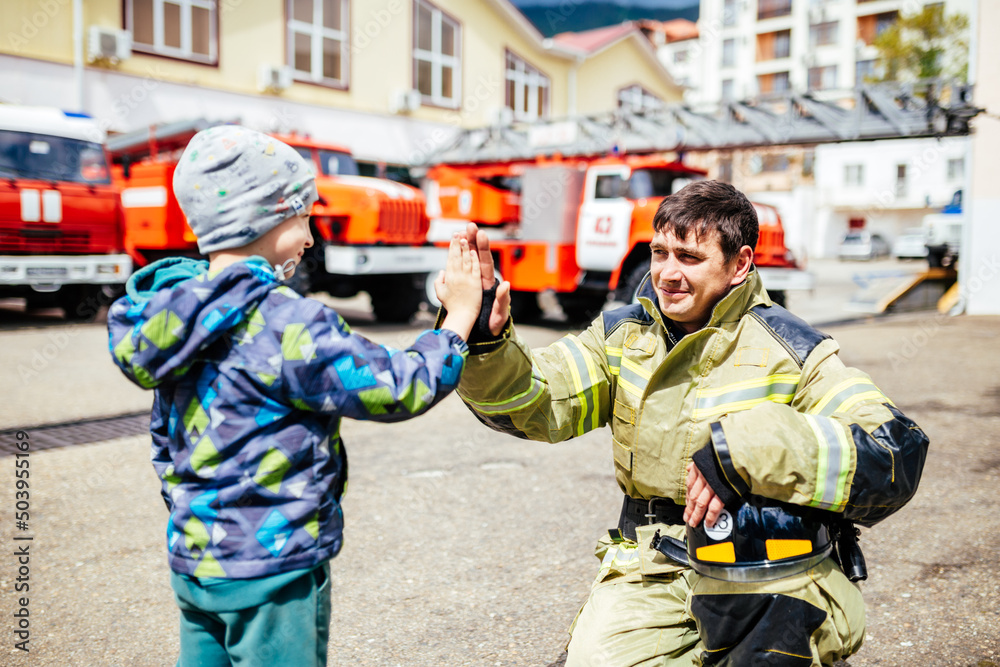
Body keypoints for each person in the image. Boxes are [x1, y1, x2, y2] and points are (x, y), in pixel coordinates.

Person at [446, 180, 929, 666]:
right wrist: (487, 344)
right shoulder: (619, 336)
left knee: (775, 652)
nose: (667, 273)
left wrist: (746, 448)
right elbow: (536, 402)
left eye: (690, 258)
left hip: (765, 570)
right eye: (660, 253)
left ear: (740, 264)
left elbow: (893, 449)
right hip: (651, 563)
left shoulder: (795, 350)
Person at [106, 125, 484, 667]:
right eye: (303, 215)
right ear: (265, 218)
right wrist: (461, 318)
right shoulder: (285, 322)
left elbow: (164, 441)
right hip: (272, 569)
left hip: (195, 561)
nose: (310, 236)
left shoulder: (172, 319)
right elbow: (399, 387)